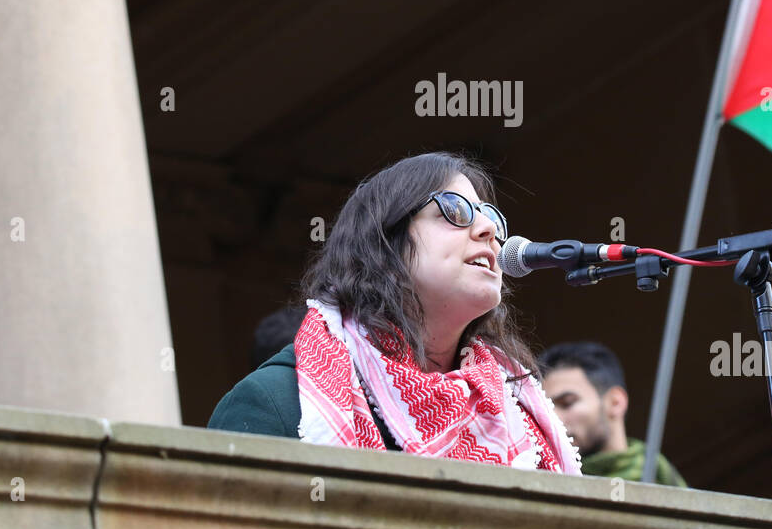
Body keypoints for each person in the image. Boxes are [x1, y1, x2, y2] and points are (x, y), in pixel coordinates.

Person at [208, 151, 582, 474]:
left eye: (491, 218)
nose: (488, 230)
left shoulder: (522, 418)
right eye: (455, 211)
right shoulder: (275, 403)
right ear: (385, 242)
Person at [540, 341, 688, 487]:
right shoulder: (541, 479)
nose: (553, 419)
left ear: (615, 403)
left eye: (567, 403)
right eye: (546, 410)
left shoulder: (660, 480)